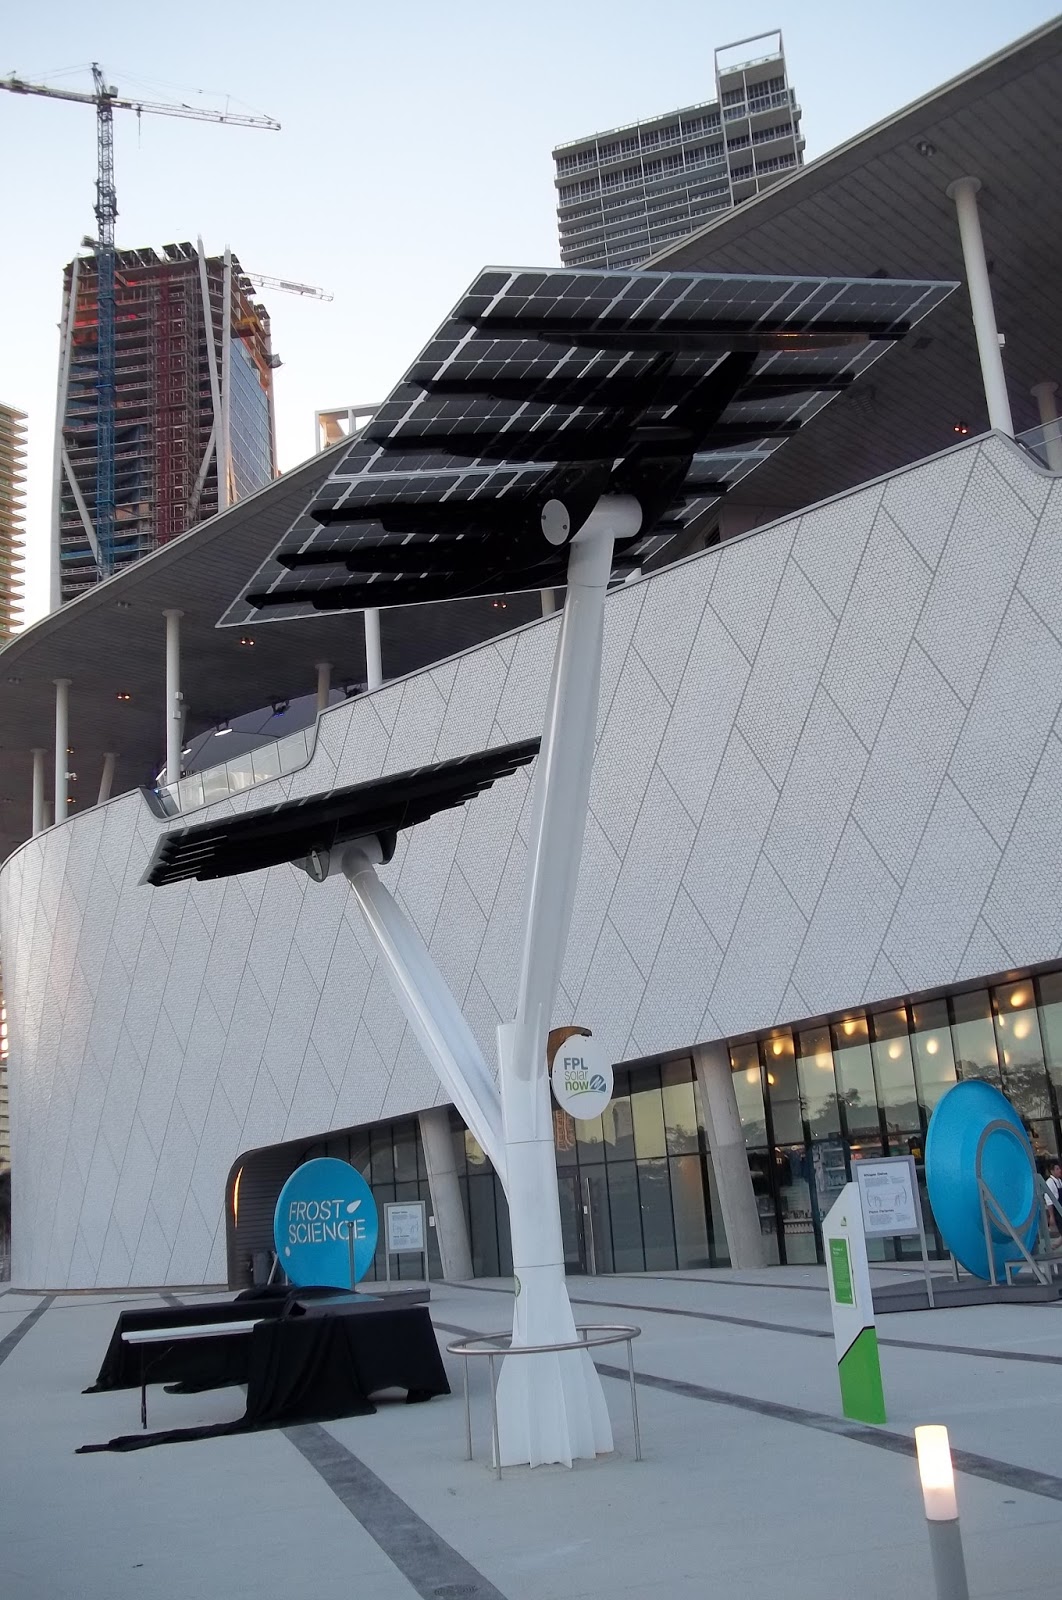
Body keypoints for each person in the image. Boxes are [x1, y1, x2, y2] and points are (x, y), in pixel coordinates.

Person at [1045, 1161, 1062, 1240]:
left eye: (1059, 1168)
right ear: (1052, 1171)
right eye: (1057, 1169)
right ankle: (1053, 1245)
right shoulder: (1050, 1182)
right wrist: (1051, 1216)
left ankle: (1054, 1245)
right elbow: (1049, 1201)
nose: (1059, 1170)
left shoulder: (1059, 1181)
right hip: (1056, 1211)